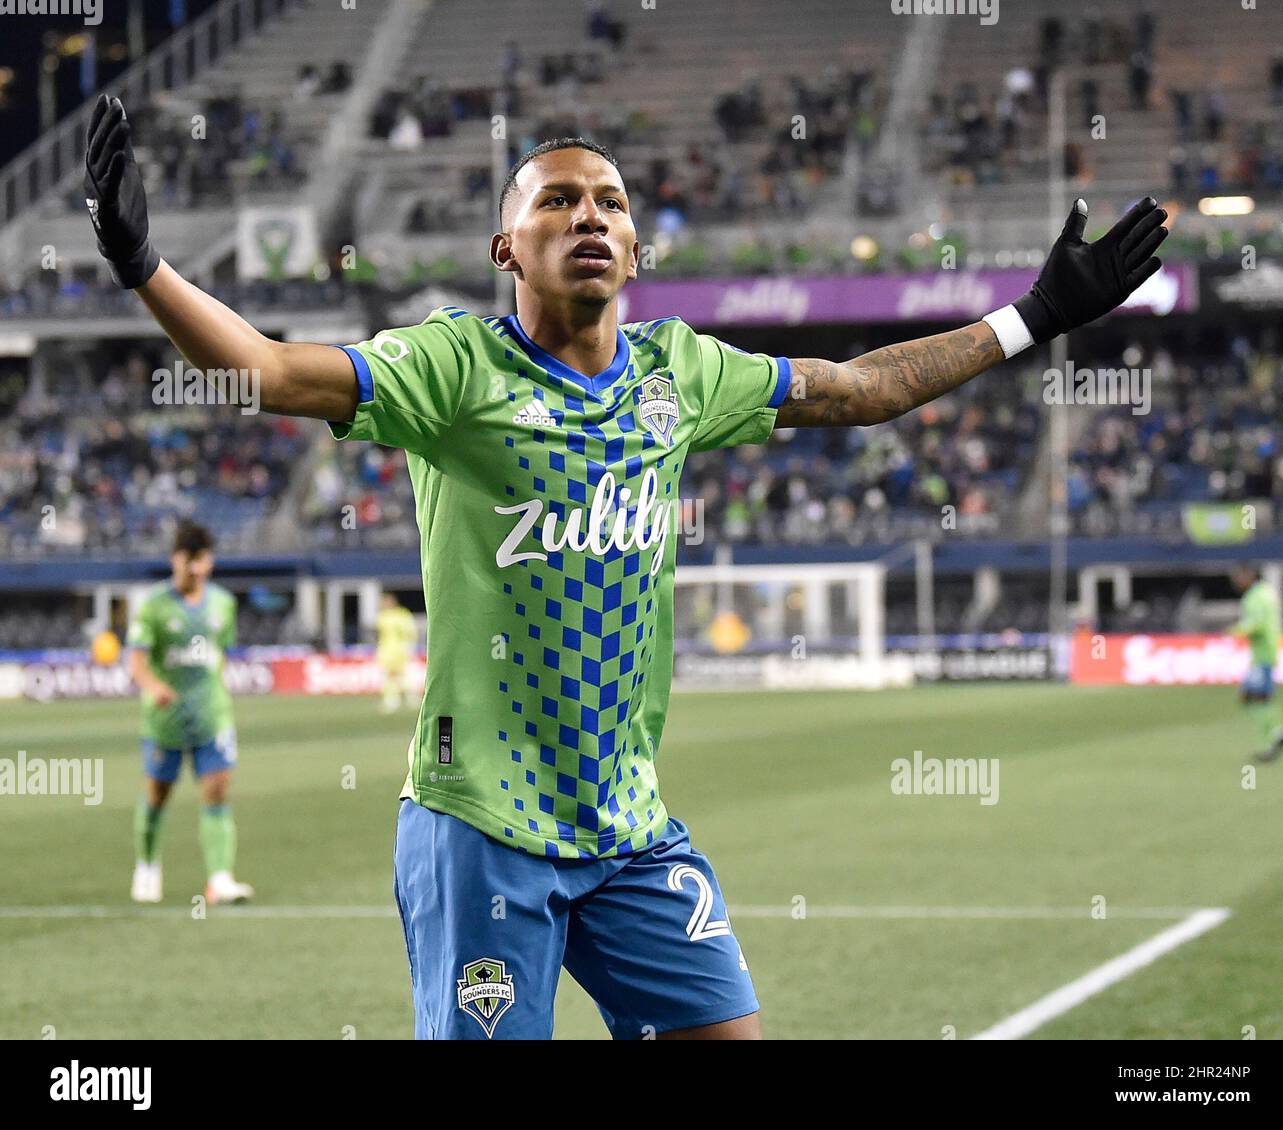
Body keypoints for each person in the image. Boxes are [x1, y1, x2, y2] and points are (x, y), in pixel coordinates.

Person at [83, 93, 1166, 1038]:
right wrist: (145, 267)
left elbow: (857, 388)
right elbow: (267, 369)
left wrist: (1032, 317)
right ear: (506, 247)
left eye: (608, 199)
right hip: (482, 827)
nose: (588, 213)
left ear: (637, 249)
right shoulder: (452, 367)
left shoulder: (680, 372)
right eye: (554, 200)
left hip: (629, 826)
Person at [126, 520, 253, 905]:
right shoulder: (152, 605)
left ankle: (220, 878)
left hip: (211, 716)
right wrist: (155, 687)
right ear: (174, 560)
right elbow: (136, 664)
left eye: (202, 562)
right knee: (158, 794)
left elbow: (221, 656)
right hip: (165, 720)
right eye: (188, 562)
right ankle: (147, 865)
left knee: (216, 790)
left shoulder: (223, 604)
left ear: (209, 562)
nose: (195, 570)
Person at [1230, 565, 1283, 763]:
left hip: (1263, 655)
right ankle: (1276, 735)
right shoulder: (1267, 592)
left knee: (1253, 697)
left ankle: (1275, 736)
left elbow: (1256, 623)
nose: (1236, 580)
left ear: (1248, 575)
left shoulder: (1254, 598)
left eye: (1238, 575)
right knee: (1256, 697)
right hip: (1268, 652)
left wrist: (1235, 630)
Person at [376, 592, 419, 713]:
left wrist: (410, 645)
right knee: (389, 676)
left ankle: (411, 697)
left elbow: (410, 631)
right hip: (386, 650)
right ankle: (391, 700)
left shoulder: (402, 614)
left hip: (400, 649)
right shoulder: (382, 616)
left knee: (405, 674)